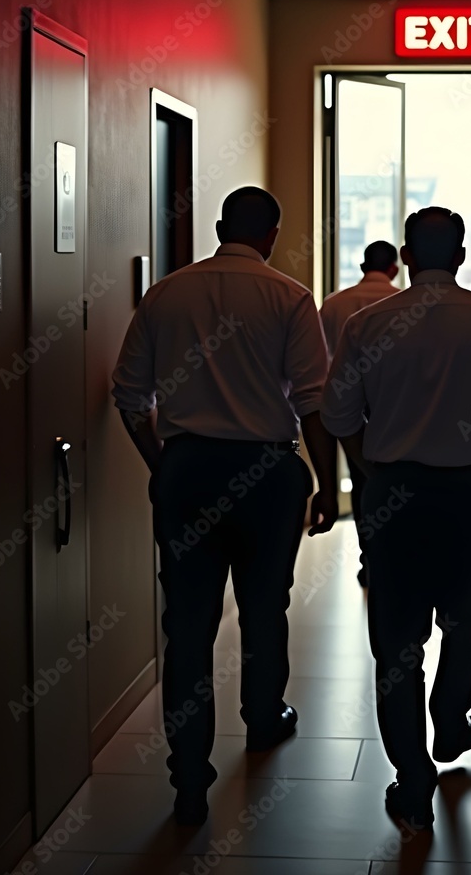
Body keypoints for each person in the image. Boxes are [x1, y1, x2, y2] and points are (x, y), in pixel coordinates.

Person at [111, 186, 338, 826]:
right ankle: (263, 720)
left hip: (188, 469)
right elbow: (314, 401)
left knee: (187, 626)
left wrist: (165, 465)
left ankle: (188, 778)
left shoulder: (166, 293)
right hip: (267, 472)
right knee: (266, 605)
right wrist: (326, 481)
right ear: (271, 234)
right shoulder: (289, 296)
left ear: (218, 227)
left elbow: (129, 396)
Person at [320, 207, 471, 829]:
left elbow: (337, 416)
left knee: (396, 643)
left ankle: (413, 776)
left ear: (406, 253)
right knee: (465, 617)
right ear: (463, 252)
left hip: (393, 492)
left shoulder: (369, 323)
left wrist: (369, 470)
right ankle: (450, 723)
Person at [319, 240, 400, 587]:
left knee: (362, 481)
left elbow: (319, 362)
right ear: (394, 269)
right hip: (395, 408)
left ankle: (369, 557)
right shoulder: (405, 303)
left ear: (362, 265)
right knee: (397, 484)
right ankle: (393, 556)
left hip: (348, 407)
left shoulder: (334, 305)